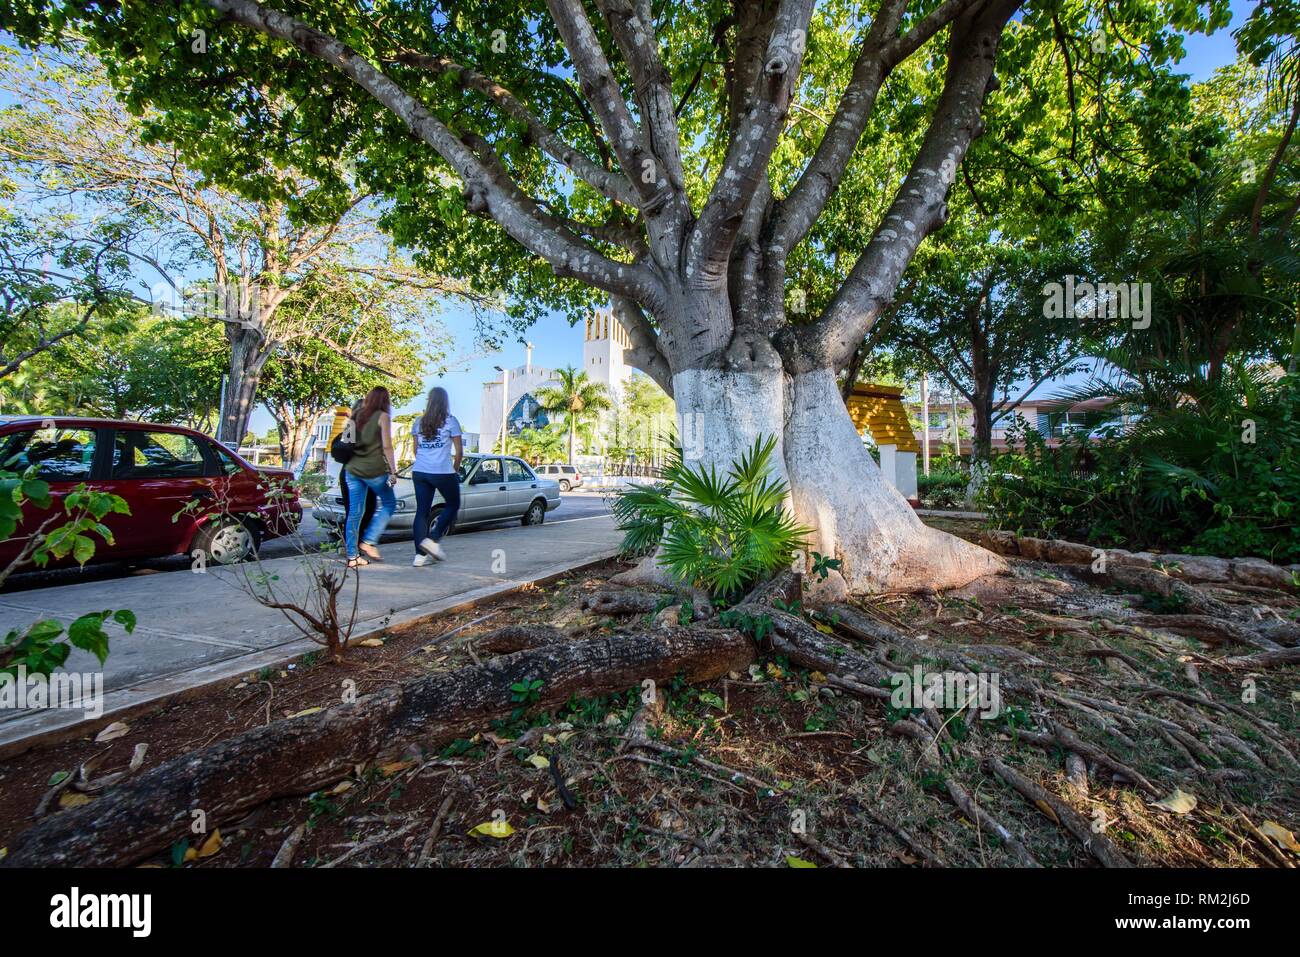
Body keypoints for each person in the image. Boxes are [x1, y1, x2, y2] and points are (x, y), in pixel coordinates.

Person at [342, 386, 398, 568]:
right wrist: (393, 470)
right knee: (389, 503)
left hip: (352, 470)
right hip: (372, 470)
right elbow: (387, 447)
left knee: (354, 513)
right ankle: (368, 541)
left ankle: (352, 557)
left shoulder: (355, 416)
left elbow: (346, 444)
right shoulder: (383, 417)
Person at [410, 385, 463, 567]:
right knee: (454, 504)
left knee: (422, 512)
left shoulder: (419, 422)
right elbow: (459, 452)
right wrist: (454, 470)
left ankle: (419, 556)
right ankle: (432, 539)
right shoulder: (451, 421)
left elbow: (416, 450)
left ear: (429, 401)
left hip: (420, 471)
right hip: (442, 471)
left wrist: (425, 460)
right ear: (445, 402)